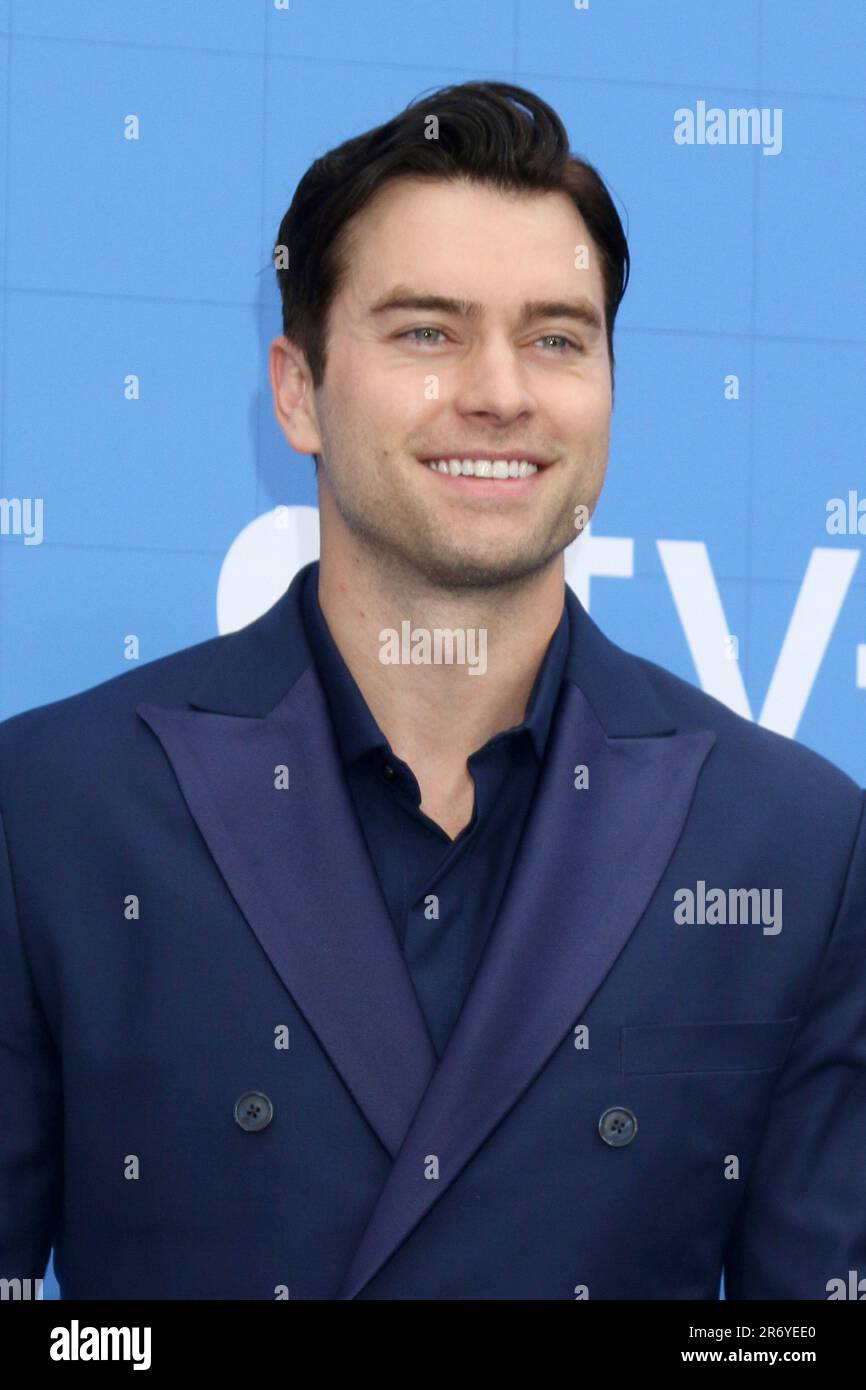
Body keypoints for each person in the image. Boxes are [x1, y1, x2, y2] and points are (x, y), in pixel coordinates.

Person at [1, 81, 864, 1301]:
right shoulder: (52, 810)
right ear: (297, 391)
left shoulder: (796, 843)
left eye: (556, 337)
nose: (500, 393)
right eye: (425, 332)